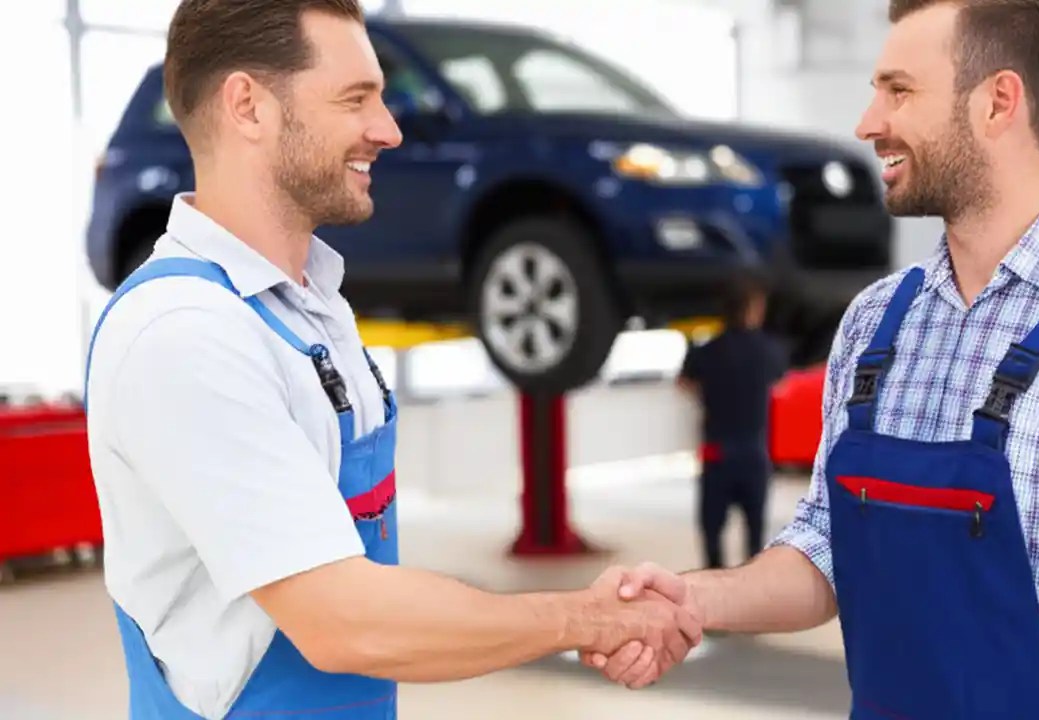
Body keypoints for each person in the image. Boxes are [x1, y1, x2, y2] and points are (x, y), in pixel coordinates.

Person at [584, 0, 1039, 717]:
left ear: (999, 102)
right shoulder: (877, 323)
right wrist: (693, 598)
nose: (869, 123)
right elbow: (826, 550)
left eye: (898, 91)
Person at [83, 2, 698, 718]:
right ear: (248, 106)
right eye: (356, 99)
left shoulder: (312, 306)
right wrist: (586, 619)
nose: (390, 129)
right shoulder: (184, 332)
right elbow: (344, 621)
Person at [679, 272, 788, 569]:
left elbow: (683, 383)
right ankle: (749, 602)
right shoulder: (769, 351)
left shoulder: (706, 352)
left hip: (716, 452)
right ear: (754, 308)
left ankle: (714, 599)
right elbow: (780, 382)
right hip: (754, 452)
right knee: (754, 539)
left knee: (712, 534)